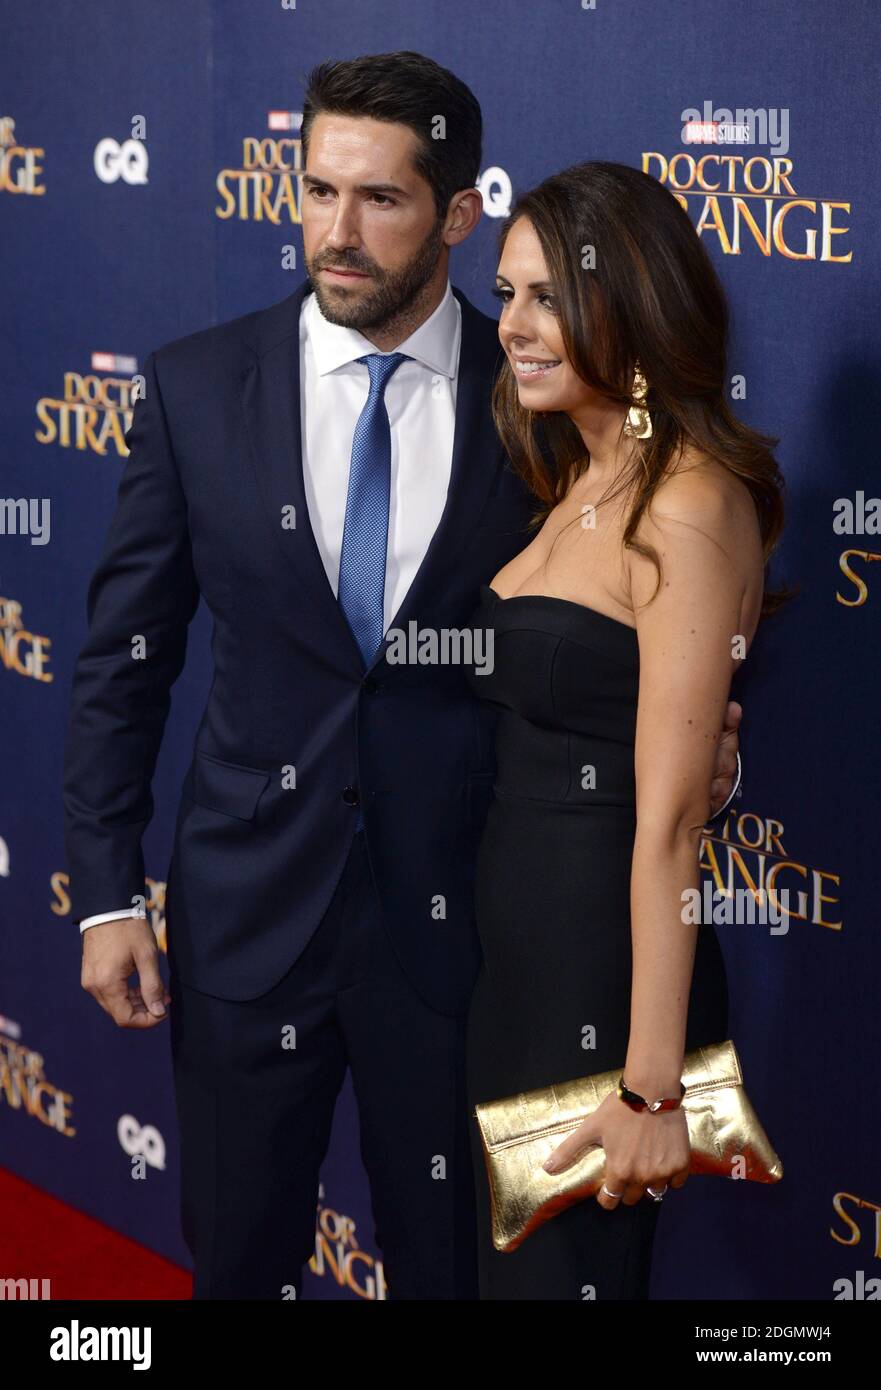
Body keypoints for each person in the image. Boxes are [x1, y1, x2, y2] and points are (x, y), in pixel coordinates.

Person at [62, 54, 741, 1300]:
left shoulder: (537, 392)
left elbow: (613, 614)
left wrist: (690, 727)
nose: (335, 231)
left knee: (448, 1272)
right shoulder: (200, 387)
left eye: (378, 199)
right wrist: (107, 890)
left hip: (462, 945)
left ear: (455, 211)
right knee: (239, 1257)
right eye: (315, 190)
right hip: (243, 921)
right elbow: (122, 658)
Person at [464, 161, 785, 1300]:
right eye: (504, 294)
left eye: (546, 296)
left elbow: (666, 828)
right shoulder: (576, 475)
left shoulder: (691, 501)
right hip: (510, 975)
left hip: (601, 991)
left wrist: (652, 1090)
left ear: (632, 299)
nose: (512, 327)